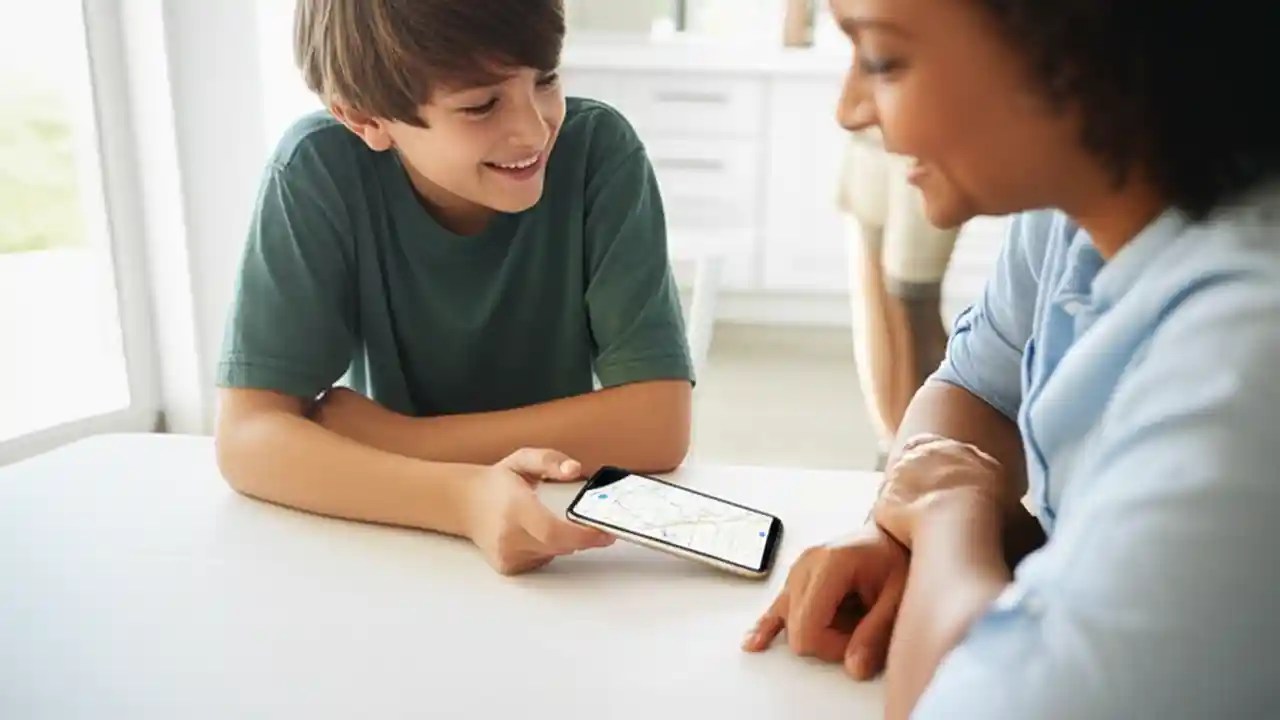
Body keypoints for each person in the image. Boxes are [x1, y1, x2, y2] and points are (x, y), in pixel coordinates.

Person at [743, 0, 1280, 717]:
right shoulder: (1072, 215)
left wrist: (947, 513)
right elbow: (975, 389)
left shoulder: (1245, 365)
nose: (850, 110)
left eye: (882, 60)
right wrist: (897, 531)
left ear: (1076, 42)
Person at [214, 0, 695, 577]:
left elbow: (658, 424)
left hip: (543, 518)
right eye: (480, 105)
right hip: (387, 535)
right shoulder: (317, 169)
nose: (535, 128)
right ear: (365, 118)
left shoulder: (598, 151)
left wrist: (398, 439)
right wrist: (461, 499)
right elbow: (247, 436)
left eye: (545, 79)